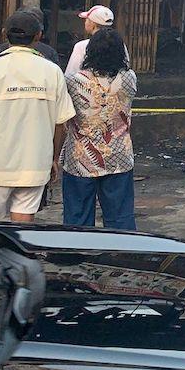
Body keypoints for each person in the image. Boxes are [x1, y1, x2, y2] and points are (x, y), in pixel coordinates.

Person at [0, 10, 75, 223]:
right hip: (36, 165)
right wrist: (54, 159)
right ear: (38, 36)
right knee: (22, 225)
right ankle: (17, 256)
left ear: (3, 34)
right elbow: (60, 123)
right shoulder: (52, 71)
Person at [61, 28, 139, 230]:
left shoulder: (72, 81)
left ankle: (77, 253)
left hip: (81, 157)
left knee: (77, 214)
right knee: (120, 216)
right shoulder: (129, 78)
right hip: (119, 156)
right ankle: (120, 253)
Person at [66, 5, 125, 76]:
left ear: (93, 23)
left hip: (86, 86)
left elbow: (71, 73)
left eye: (87, 19)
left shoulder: (81, 46)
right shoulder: (119, 44)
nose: (85, 22)